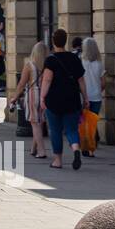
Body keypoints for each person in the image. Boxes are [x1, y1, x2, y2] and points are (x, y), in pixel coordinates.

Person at [40, 28, 88, 170]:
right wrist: (85, 97)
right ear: (66, 41)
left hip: (54, 100)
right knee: (72, 129)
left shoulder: (51, 60)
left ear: (53, 42)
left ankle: (57, 160)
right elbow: (81, 81)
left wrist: (42, 97)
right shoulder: (74, 58)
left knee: (55, 130)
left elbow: (47, 80)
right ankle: (75, 149)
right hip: (72, 98)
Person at [10, 40, 49, 159]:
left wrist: (14, 98)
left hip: (33, 94)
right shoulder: (48, 65)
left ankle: (41, 151)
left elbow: (21, 84)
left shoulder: (30, 65)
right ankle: (34, 148)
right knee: (40, 122)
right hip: (45, 94)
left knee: (34, 123)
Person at [80, 36, 105, 157]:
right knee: (92, 123)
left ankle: (85, 146)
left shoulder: (81, 62)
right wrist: (99, 90)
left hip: (84, 96)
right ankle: (90, 149)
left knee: (83, 122)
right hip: (96, 96)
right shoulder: (99, 64)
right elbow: (103, 82)